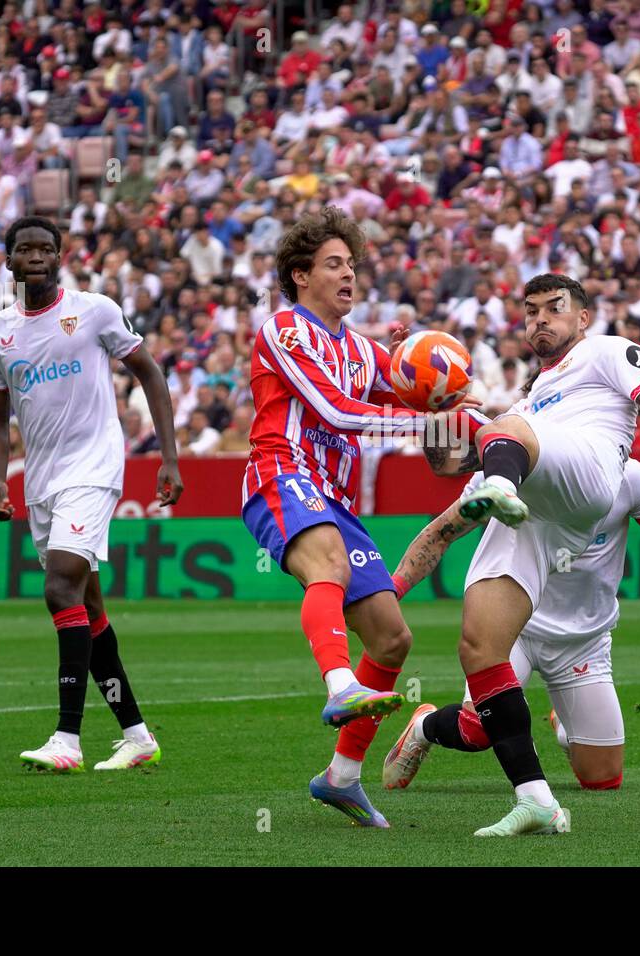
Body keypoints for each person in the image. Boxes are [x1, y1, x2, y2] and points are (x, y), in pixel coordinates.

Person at [423, 273, 640, 835]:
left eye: (554, 309)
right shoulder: (530, 401)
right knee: (474, 724)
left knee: (603, 775)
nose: (540, 319)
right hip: (535, 565)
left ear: (583, 318)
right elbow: (447, 464)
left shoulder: (607, 354)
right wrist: (428, 402)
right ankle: (435, 732)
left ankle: (562, 718)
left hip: (582, 579)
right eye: (531, 310)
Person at [240, 206, 481, 828]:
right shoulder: (286, 330)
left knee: (393, 637)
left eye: (352, 265)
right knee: (328, 564)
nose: (349, 275)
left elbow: (417, 387)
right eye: (334, 265)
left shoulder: (361, 348)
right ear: (299, 275)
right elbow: (340, 412)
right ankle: (339, 683)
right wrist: (422, 420)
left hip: (335, 500)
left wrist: (483, 413)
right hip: (281, 472)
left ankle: (341, 777)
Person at [0, 217, 183, 773]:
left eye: (46, 248)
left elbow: (149, 372)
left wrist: (168, 455)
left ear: (60, 256)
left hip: (93, 468)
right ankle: (138, 735)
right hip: (40, 480)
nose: (37, 256)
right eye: (25, 249)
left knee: (58, 586)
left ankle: (67, 739)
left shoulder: (94, 310)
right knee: (87, 608)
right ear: (10, 260)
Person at [383, 456, 640, 792]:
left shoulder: (631, 477)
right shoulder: (507, 471)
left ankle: (565, 724)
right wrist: (391, 593)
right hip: (510, 630)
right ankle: (424, 727)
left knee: (603, 778)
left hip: (584, 641)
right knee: (477, 731)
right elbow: (440, 534)